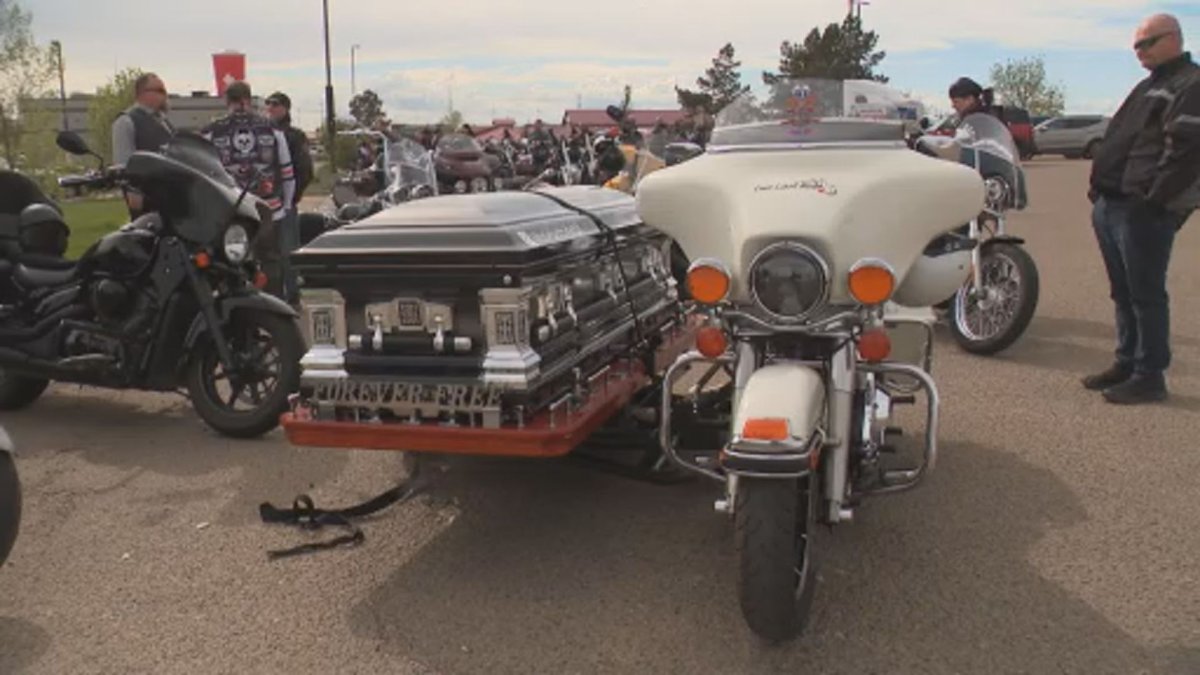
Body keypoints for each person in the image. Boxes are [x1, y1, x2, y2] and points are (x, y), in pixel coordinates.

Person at [1083, 13, 1199, 404]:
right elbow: (1119, 136)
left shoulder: (1191, 84)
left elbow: (1185, 153)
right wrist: (1099, 189)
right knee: (1123, 291)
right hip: (1111, 203)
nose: (1139, 52)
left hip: (1141, 210)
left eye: (1147, 43)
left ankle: (1150, 376)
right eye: (1136, 45)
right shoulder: (1148, 85)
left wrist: (1151, 201)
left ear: (1174, 39)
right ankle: (1127, 362)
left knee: (1146, 294)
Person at [201, 81, 296, 301]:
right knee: (270, 260)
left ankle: (235, 306)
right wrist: (286, 205)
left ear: (227, 101)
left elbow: (204, 171)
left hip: (230, 208)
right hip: (267, 209)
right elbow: (287, 172)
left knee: (232, 260)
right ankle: (274, 304)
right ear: (248, 99)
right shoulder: (273, 129)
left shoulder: (212, 130)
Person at [111, 73, 175, 216]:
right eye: (160, 91)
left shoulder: (164, 122)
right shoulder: (126, 121)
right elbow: (123, 165)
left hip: (169, 198)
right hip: (146, 203)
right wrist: (133, 194)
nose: (165, 96)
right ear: (143, 93)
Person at [264, 92, 313, 207]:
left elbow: (305, 171)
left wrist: (291, 197)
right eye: (268, 103)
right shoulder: (261, 134)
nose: (270, 108)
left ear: (285, 109)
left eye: (275, 104)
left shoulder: (295, 136)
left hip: (285, 201)